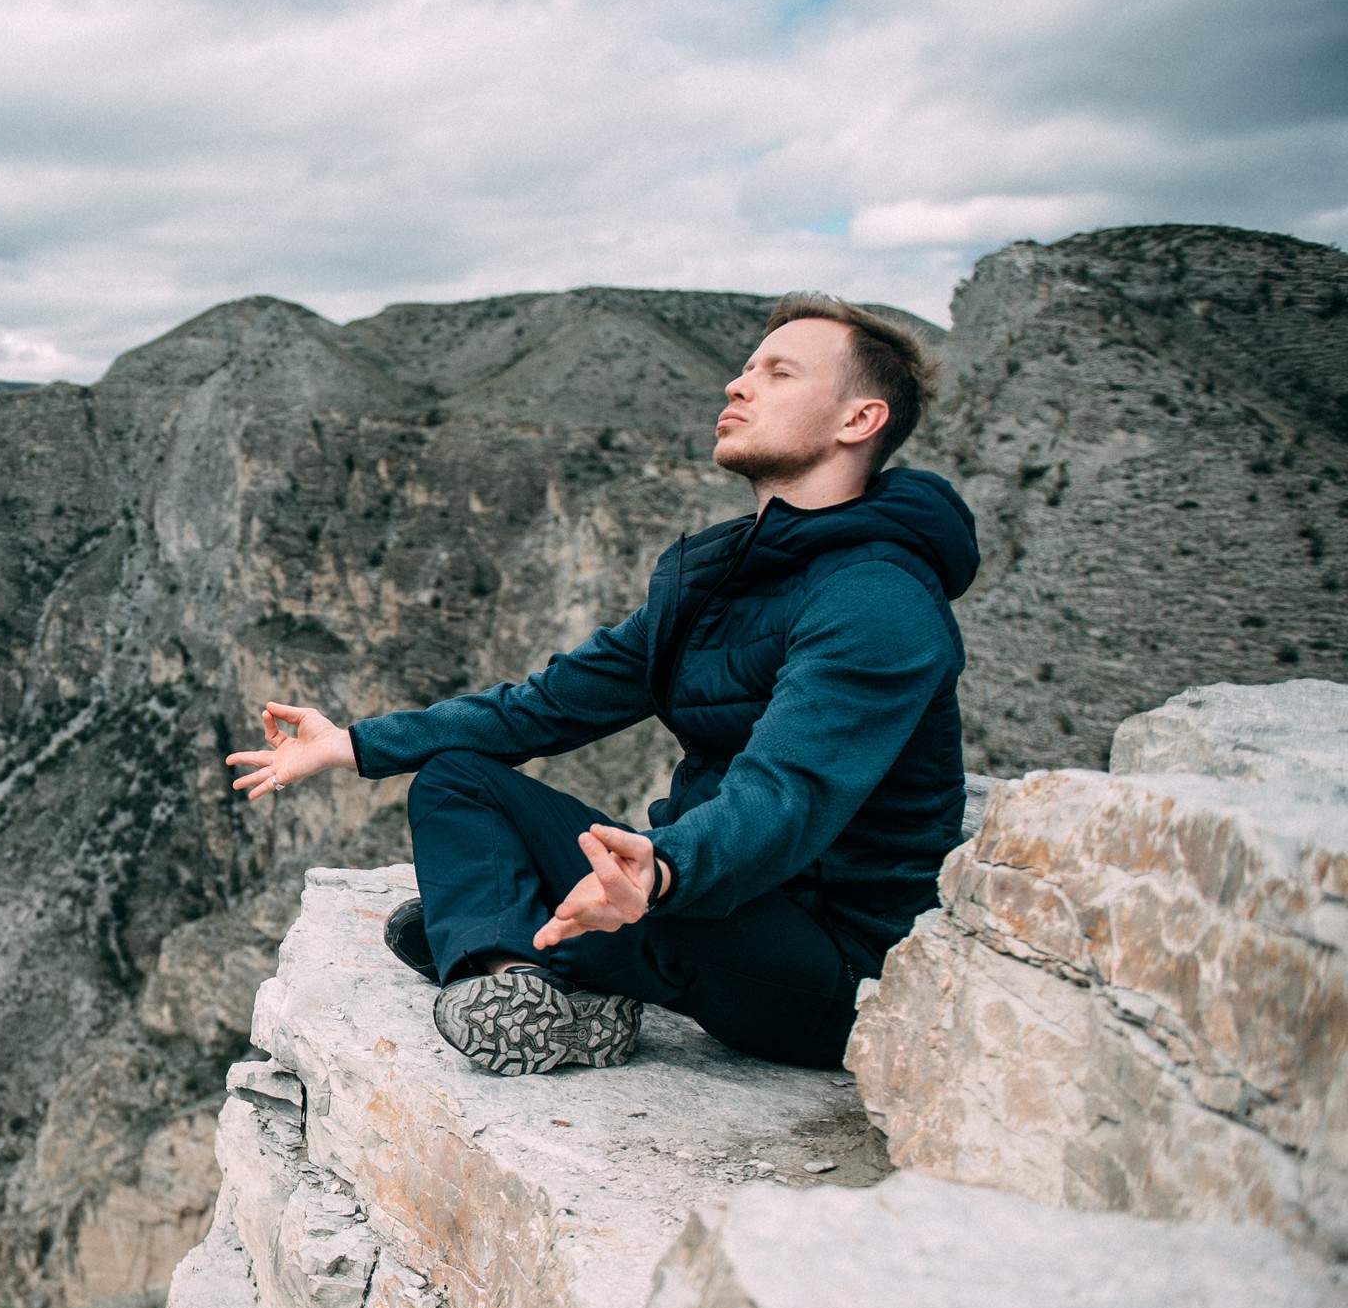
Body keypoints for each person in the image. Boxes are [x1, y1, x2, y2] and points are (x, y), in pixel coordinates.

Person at [224, 294, 976, 1075]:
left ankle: (521, 940)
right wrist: (351, 743)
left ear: (859, 421)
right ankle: (522, 987)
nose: (737, 386)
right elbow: (543, 706)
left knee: (468, 907)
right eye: (746, 366)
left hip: (830, 968)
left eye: (778, 372)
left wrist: (661, 869)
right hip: (709, 900)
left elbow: (787, 794)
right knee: (456, 784)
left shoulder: (878, 597)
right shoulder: (718, 580)